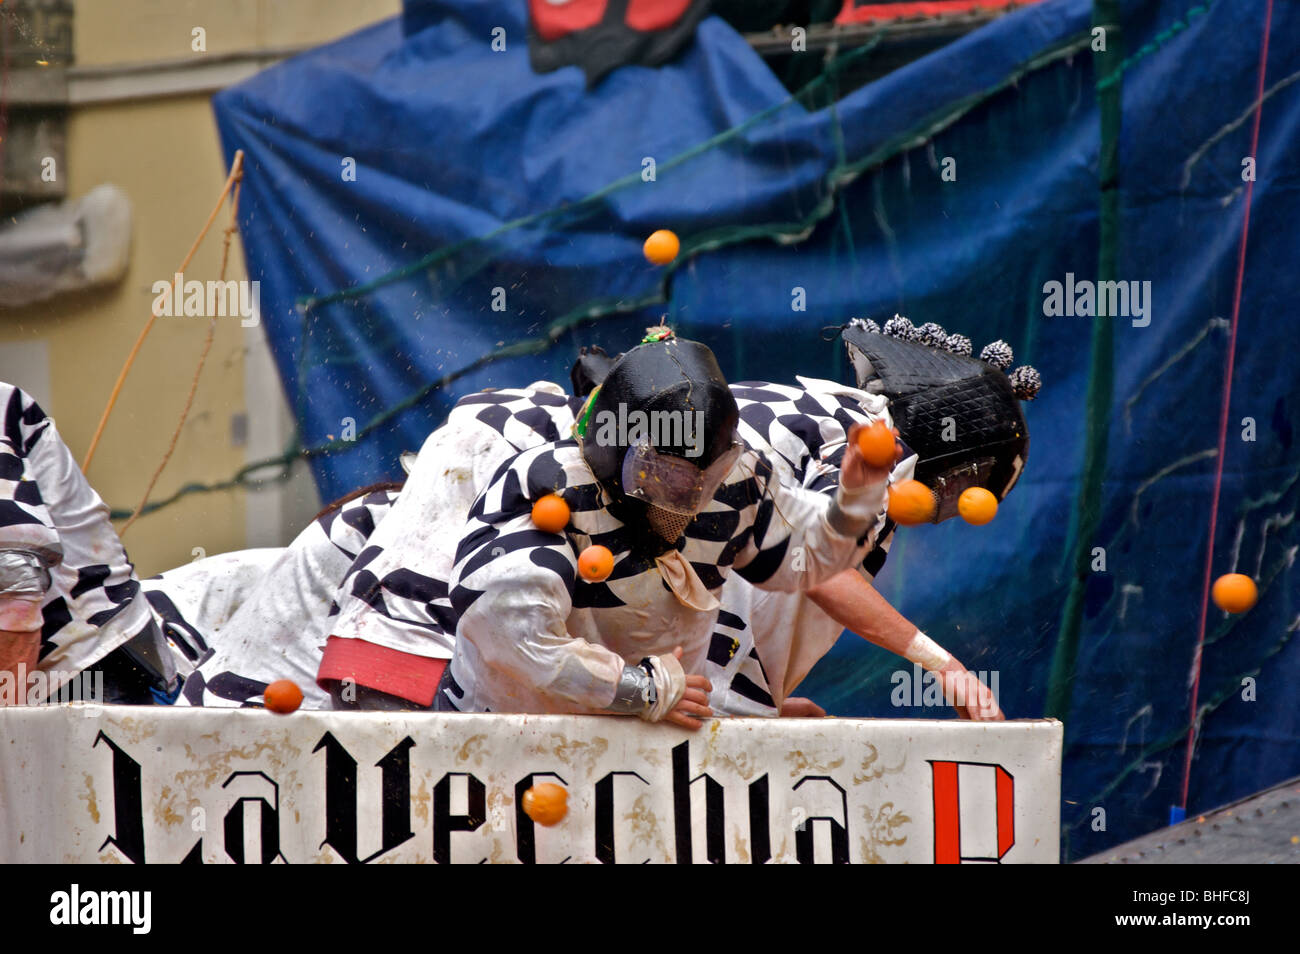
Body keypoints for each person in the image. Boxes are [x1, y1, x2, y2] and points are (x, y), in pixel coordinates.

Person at [435, 331, 893, 727]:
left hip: (649, 749)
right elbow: (509, 633)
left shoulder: (735, 487)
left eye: (705, 479)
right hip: (498, 741)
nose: (688, 504)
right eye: (667, 476)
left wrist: (856, 501)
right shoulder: (548, 488)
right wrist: (638, 691)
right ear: (614, 451)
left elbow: (809, 561)